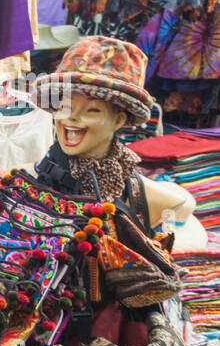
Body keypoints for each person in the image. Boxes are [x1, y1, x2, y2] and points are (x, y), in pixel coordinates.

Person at [32, 34, 207, 247]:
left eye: (92, 110)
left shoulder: (144, 197)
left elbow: (180, 205)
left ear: (119, 120)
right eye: (64, 107)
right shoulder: (32, 175)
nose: (71, 117)